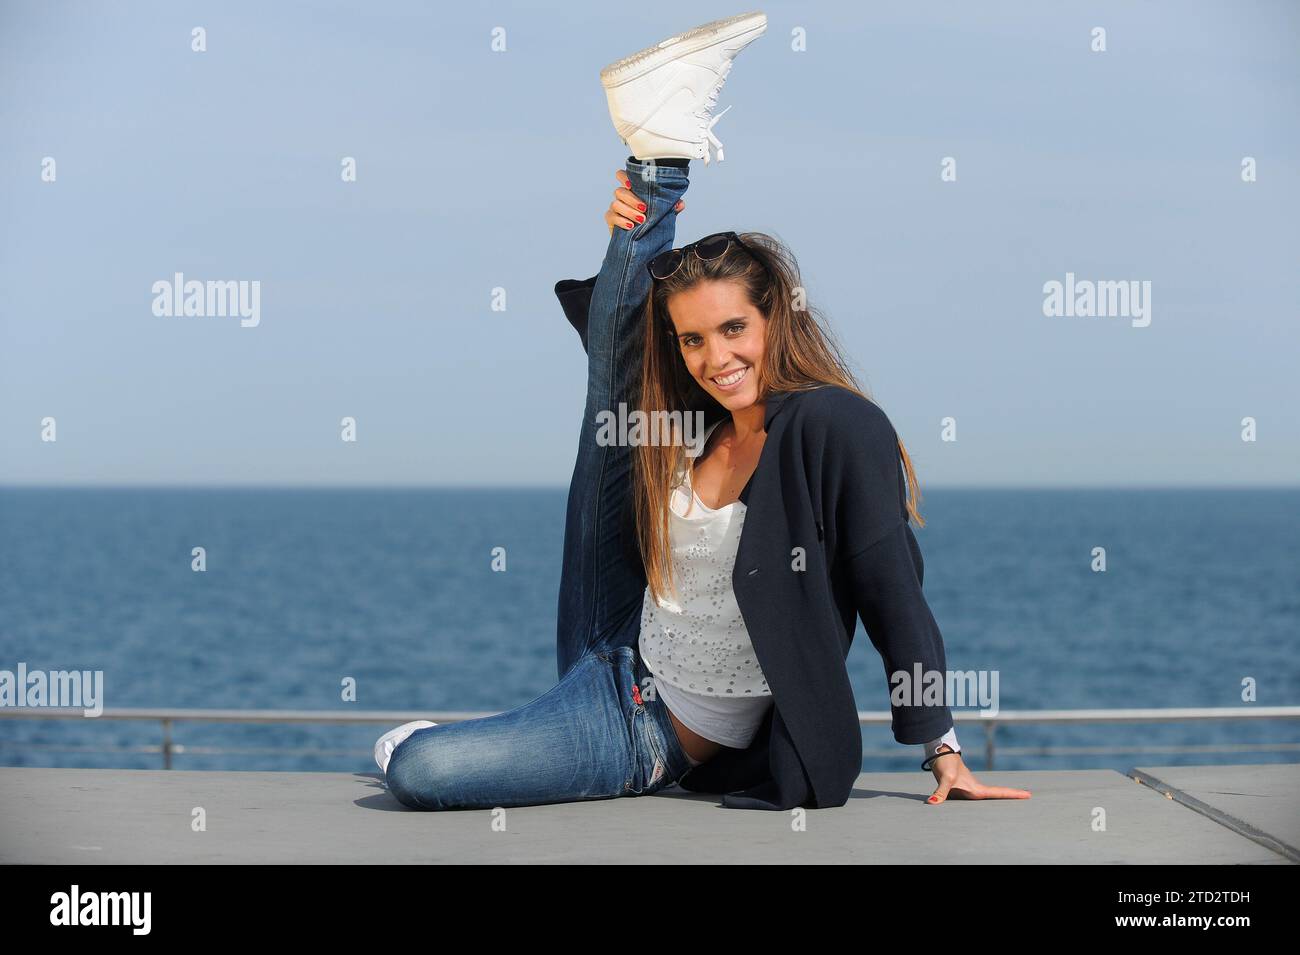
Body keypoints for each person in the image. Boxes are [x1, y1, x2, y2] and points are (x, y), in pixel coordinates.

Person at [379, 11, 1031, 811]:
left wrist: (944, 750)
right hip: (611, 632)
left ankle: (443, 739)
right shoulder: (695, 420)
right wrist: (630, 236)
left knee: (418, 771)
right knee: (620, 388)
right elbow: (621, 346)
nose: (715, 359)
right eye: (693, 339)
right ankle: (659, 160)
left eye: (733, 330)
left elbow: (891, 583)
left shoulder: (833, 428)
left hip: (646, 727)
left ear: (775, 319)